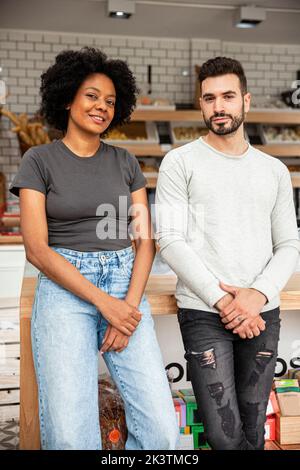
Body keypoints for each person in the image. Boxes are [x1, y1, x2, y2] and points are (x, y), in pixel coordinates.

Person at [9, 47, 178, 450]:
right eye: (91, 96)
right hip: (66, 287)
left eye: (110, 101)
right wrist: (107, 305)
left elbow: (145, 241)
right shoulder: (39, 161)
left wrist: (128, 310)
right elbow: (36, 249)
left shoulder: (125, 162)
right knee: (70, 435)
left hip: (125, 285)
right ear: (67, 98)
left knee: (161, 430)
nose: (101, 106)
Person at [155, 56, 300, 450]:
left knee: (255, 428)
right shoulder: (179, 163)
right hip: (204, 313)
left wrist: (256, 295)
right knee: (222, 434)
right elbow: (169, 239)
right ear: (201, 104)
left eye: (228, 96)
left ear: (246, 102)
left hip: (261, 313)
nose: (219, 106)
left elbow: (289, 243)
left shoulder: (273, 171)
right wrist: (225, 301)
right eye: (209, 98)